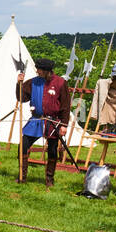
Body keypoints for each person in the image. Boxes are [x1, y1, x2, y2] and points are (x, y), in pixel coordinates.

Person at [15, 57, 71, 186]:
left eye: (39, 69)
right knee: (23, 145)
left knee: (52, 150)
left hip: (53, 121)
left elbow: (65, 106)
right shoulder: (33, 82)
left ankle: (49, 179)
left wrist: (63, 125)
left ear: (47, 70)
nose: (37, 72)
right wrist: (19, 84)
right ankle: (22, 177)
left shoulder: (60, 83)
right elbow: (21, 98)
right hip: (36, 120)